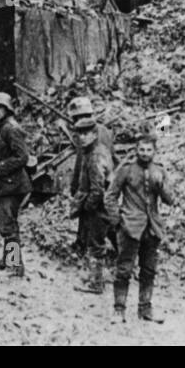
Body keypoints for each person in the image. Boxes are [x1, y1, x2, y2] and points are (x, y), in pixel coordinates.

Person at [105, 131, 175, 322]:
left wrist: (161, 187)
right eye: (141, 149)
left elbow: (170, 200)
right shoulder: (126, 170)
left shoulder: (159, 171)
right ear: (136, 150)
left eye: (148, 150)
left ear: (154, 151)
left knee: (149, 270)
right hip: (130, 227)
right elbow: (110, 196)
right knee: (124, 269)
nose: (145, 153)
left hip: (152, 228)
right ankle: (119, 309)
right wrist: (117, 221)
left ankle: (145, 309)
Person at [0, 92, 31, 277]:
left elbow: (22, 157)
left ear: (8, 109)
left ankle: (14, 266)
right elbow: (2, 153)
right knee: (6, 223)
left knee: (8, 227)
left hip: (13, 185)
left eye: (0, 107)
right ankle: (8, 258)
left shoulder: (11, 129)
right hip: (6, 183)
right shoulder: (1, 127)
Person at [69, 115, 114, 294]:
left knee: (96, 244)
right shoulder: (95, 150)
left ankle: (96, 283)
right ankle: (96, 276)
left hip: (98, 207)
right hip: (101, 205)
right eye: (79, 134)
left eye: (86, 133)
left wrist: (87, 206)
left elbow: (98, 189)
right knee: (97, 241)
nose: (82, 137)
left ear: (95, 134)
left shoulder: (95, 155)